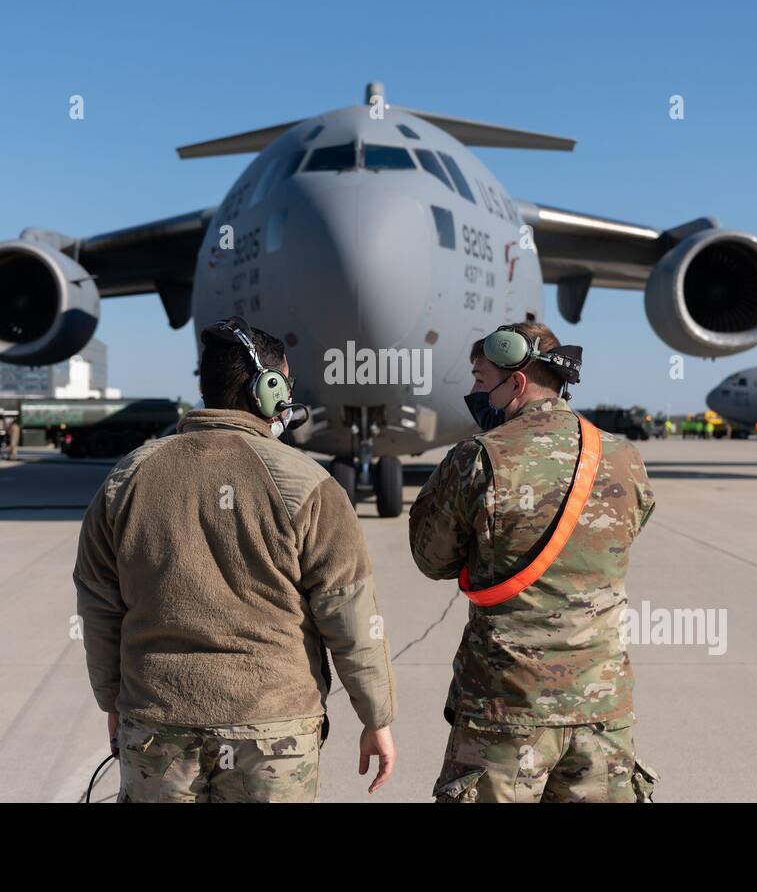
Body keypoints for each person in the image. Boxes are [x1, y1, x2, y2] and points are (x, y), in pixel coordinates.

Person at [73, 317, 397, 802]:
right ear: (268, 390)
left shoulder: (127, 479)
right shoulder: (308, 483)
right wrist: (377, 716)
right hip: (273, 730)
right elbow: (350, 614)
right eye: (285, 384)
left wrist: (112, 701)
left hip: (158, 726)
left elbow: (98, 605)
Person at [409, 321, 657, 802]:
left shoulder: (479, 459)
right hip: (601, 710)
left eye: (481, 381)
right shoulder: (624, 457)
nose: (476, 392)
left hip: (505, 708)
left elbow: (431, 558)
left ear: (516, 383)